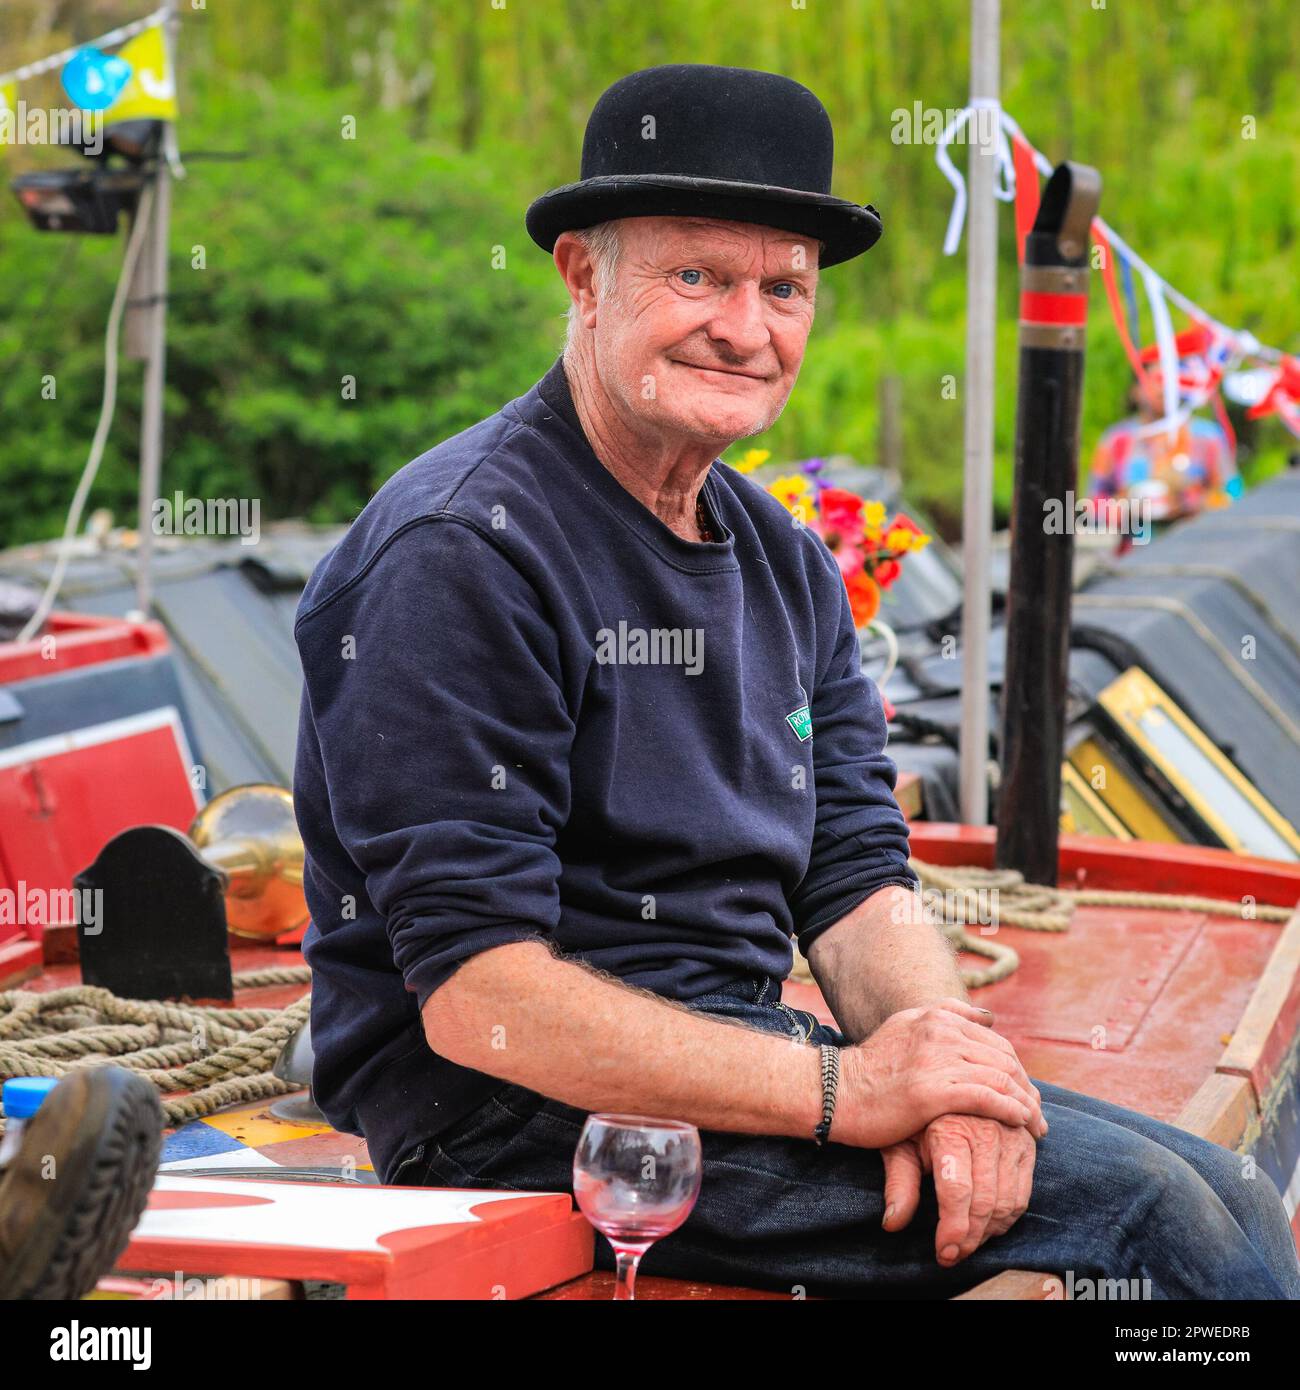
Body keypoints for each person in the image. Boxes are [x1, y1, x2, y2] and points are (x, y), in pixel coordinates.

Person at [292, 64, 1300, 1298]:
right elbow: (478, 1003)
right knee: (1150, 1227)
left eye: (784, 289)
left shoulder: (782, 559)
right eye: (697, 277)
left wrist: (945, 1068)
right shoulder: (461, 554)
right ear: (581, 274)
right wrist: (851, 1089)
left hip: (748, 1061)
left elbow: (855, 876)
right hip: (515, 1119)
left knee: (1233, 1195)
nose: (746, 326)